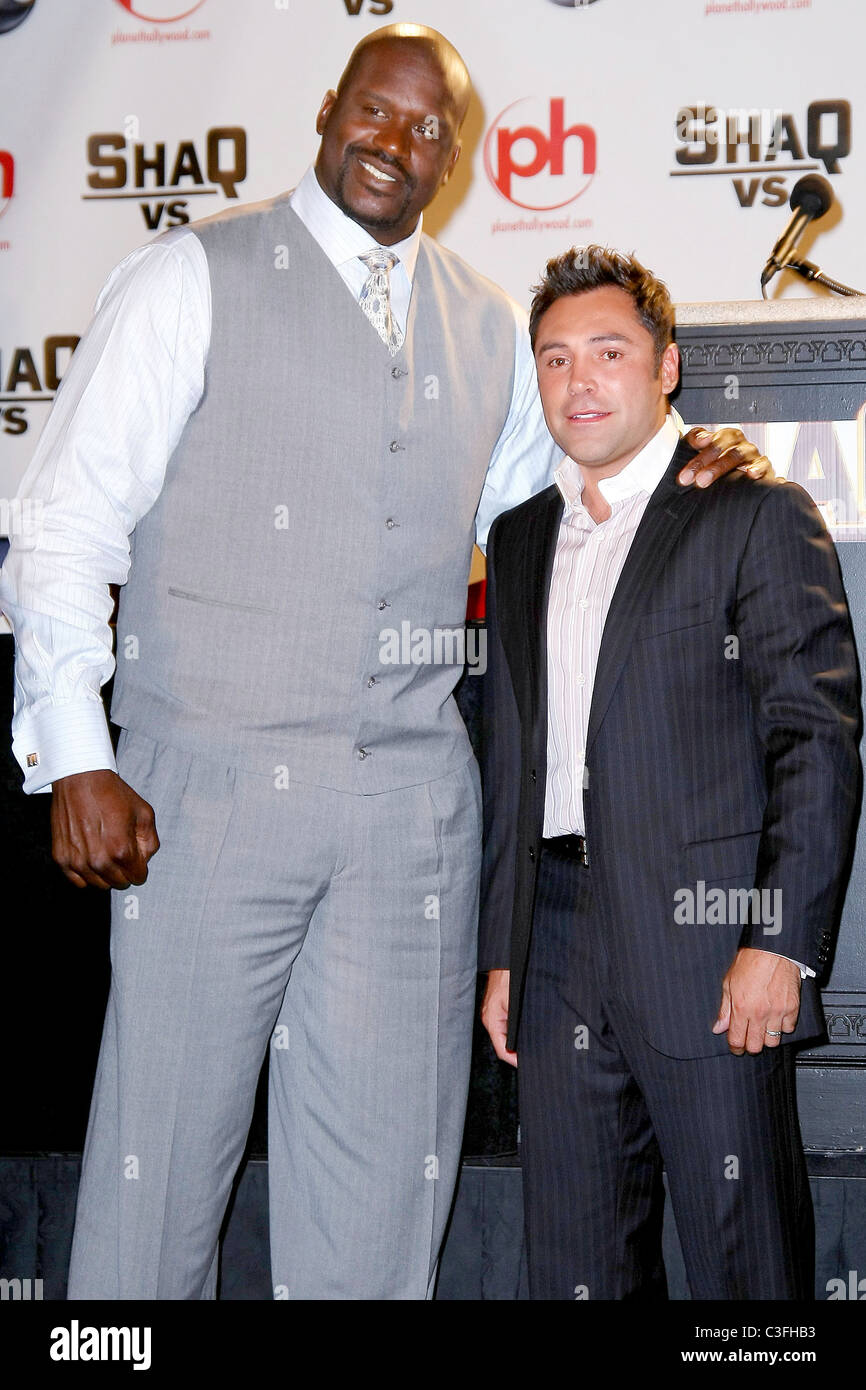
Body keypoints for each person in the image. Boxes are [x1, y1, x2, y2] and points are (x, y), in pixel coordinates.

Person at [0, 29, 767, 1301]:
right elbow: (65, 523)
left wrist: (694, 452)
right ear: (326, 110)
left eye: (426, 130)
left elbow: (578, 476)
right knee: (156, 1179)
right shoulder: (191, 274)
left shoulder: (481, 323)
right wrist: (77, 750)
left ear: (452, 159)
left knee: (377, 1202)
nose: (393, 143)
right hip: (204, 792)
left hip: (407, 821)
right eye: (375, 112)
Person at [480, 245, 861, 1301]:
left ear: (666, 368)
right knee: (575, 1260)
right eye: (553, 359)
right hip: (555, 941)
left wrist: (778, 942)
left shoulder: (748, 509)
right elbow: (513, 760)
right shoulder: (515, 539)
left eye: (607, 351)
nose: (578, 380)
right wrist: (505, 952)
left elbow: (812, 740)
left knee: (746, 1260)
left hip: (710, 946)